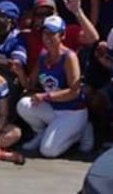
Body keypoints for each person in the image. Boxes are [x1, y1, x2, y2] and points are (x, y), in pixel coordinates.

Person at [17, 15, 86, 158]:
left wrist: (46, 96)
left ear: (62, 35)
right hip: (54, 109)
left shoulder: (69, 57)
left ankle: (80, 132)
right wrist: (20, 72)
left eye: (52, 33)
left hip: (72, 111)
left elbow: (75, 92)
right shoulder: (43, 56)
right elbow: (30, 84)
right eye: (45, 33)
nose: (47, 37)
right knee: (23, 105)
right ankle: (41, 132)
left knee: (48, 151)